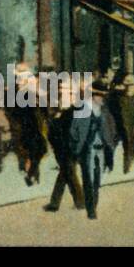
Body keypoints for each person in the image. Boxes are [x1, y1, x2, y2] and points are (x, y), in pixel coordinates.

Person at [69, 80, 113, 219]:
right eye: (100, 95)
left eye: (103, 96)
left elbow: (111, 129)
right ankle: (91, 210)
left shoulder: (104, 110)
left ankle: (93, 205)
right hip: (87, 150)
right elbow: (73, 130)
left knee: (97, 180)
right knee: (88, 180)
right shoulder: (83, 108)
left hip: (100, 150)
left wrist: (110, 145)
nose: (102, 98)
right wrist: (77, 146)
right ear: (93, 96)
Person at [42, 79, 84, 213]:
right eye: (60, 91)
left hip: (72, 148)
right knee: (65, 174)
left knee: (68, 173)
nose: (63, 93)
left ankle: (78, 202)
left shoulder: (77, 109)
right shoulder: (57, 109)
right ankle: (60, 203)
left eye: (67, 91)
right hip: (60, 148)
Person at [114, 74, 134, 174]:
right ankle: (127, 166)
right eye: (126, 85)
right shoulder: (120, 98)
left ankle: (129, 164)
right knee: (127, 145)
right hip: (124, 126)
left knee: (132, 144)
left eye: (130, 85)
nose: (128, 88)